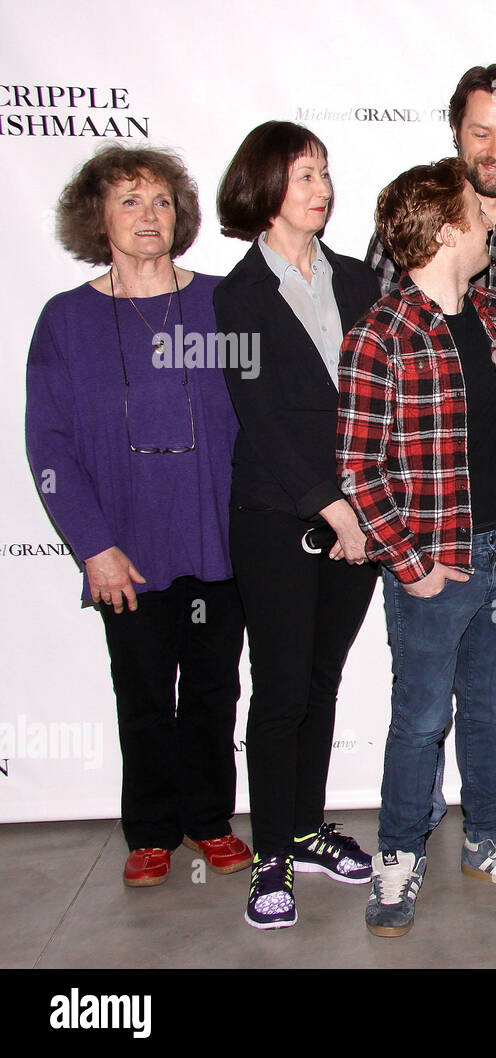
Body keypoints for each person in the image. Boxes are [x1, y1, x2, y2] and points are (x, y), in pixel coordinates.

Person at [339, 159, 496, 938]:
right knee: (421, 717)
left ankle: (487, 837)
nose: (491, 220)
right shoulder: (379, 335)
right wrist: (413, 564)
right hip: (435, 565)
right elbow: (359, 469)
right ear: (446, 230)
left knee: (491, 708)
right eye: (476, 210)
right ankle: (398, 853)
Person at [26, 144, 249, 888]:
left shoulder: (223, 302)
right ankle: (151, 829)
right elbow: (48, 443)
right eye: (128, 201)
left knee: (218, 690)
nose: (148, 215)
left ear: (179, 214)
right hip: (126, 550)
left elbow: (264, 418)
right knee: (147, 695)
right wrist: (94, 548)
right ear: (98, 217)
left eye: (159, 201)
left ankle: (210, 821)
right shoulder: (65, 320)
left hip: (222, 542)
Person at [367, 65, 496, 850]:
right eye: (481, 130)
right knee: (420, 701)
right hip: (429, 521)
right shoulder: (404, 246)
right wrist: (393, 537)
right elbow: (373, 418)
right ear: (456, 132)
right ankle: (405, 838)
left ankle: (494, 815)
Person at [214, 121, 379, 929]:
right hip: (280, 519)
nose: (320, 188)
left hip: (361, 522)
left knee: (322, 682)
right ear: (264, 189)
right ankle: (270, 851)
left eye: (323, 173)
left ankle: (311, 828)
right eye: (303, 175)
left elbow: (380, 402)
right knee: (279, 690)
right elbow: (263, 419)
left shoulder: (359, 280)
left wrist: (369, 509)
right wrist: (335, 508)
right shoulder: (235, 295)